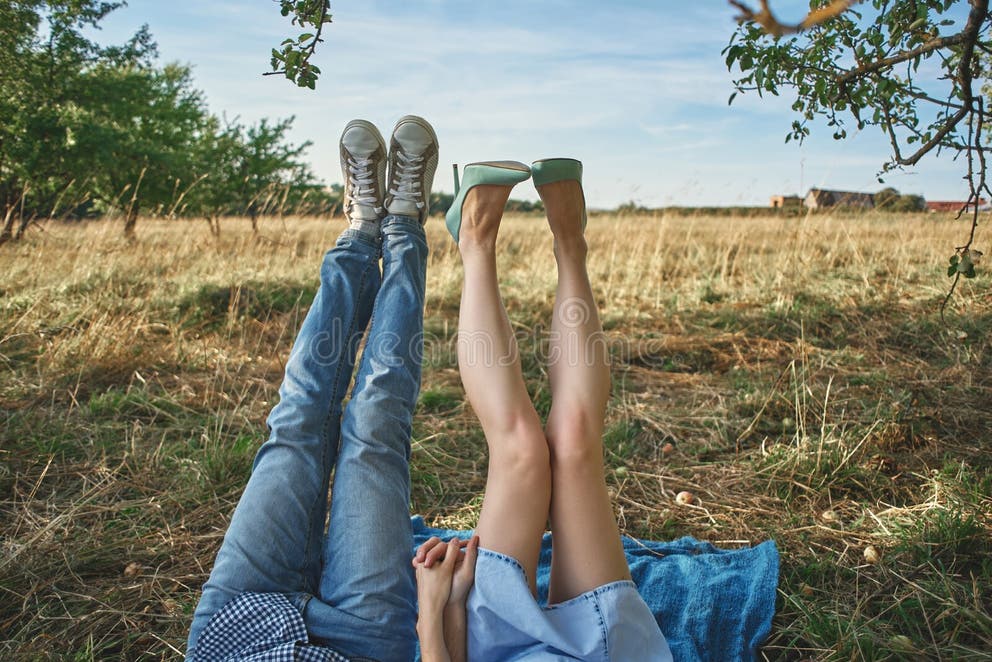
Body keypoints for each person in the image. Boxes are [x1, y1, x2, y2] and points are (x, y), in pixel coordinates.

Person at [185, 115, 439, 661]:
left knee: (297, 416)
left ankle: (361, 229)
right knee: (375, 424)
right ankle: (405, 228)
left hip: (232, 628)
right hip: (363, 640)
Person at [411, 160, 674, 661]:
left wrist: (438, 611)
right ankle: (570, 242)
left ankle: (475, 239)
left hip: (492, 652)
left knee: (523, 450)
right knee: (574, 439)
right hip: (606, 650)